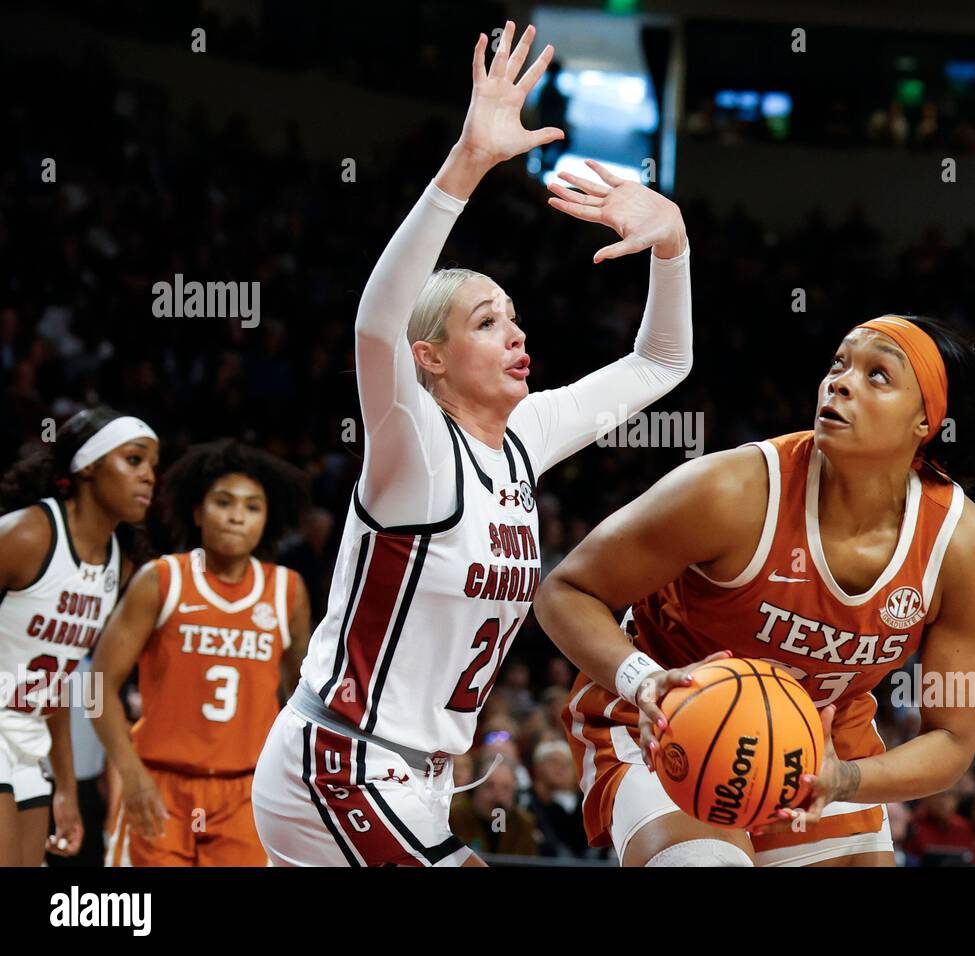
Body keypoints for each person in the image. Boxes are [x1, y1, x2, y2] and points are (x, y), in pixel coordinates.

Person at [251, 21, 693, 867]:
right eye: (487, 322)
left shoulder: (523, 440)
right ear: (432, 359)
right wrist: (467, 165)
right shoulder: (413, 446)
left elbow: (663, 361)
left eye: (516, 318)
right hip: (338, 764)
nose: (516, 332)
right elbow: (375, 324)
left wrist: (672, 244)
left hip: (417, 779)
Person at [536, 315, 975, 866]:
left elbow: (953, 740)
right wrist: (641, 680)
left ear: (926, 421)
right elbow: (566, 590)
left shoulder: (967, 551)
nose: (840, 382)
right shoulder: (732, 492)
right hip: (666, 714)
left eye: (878, 376)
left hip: (820, 740)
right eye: (838, 365)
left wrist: (846, 778)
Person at [93, 439, 311, 866]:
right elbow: (94, 682)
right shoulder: (162, 580)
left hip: (247, 793)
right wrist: (129, 773)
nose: (236, 516)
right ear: (197, 512)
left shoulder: (288, 590)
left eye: (252, 507)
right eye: (223, 502)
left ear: (266, 522)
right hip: (160, 787)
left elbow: (304, 699)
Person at [0, 407, 158, 865]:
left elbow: (68, 682)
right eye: (134, 460)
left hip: (29, 742)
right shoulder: (25, 536)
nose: (148, 476)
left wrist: (66, 787)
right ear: (88, 465)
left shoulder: (117, 565)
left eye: (153, 465)